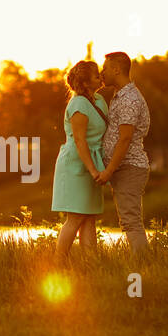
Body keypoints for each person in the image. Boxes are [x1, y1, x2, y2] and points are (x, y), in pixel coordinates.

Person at [51, 60, 109, 261]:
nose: (100, 77)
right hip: (77, 166)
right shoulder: (78, 105)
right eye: (95, 76)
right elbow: (79, 140)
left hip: (92, 162)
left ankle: (90, 265)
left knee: (89, 217)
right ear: (85, 82)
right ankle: (58, 263)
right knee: (75, 217)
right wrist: (93, 171)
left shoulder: (99, 100)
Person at [96, 50, 151, 253]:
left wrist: (109, 170)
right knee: (128, 220)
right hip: (123, 167)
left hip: (129, 167)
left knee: (131, 221)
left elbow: (125, 138)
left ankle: (145, 266)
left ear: (116, 69)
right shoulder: (119, 95)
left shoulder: (129, 99)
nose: (102, 73)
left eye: (105, 68)